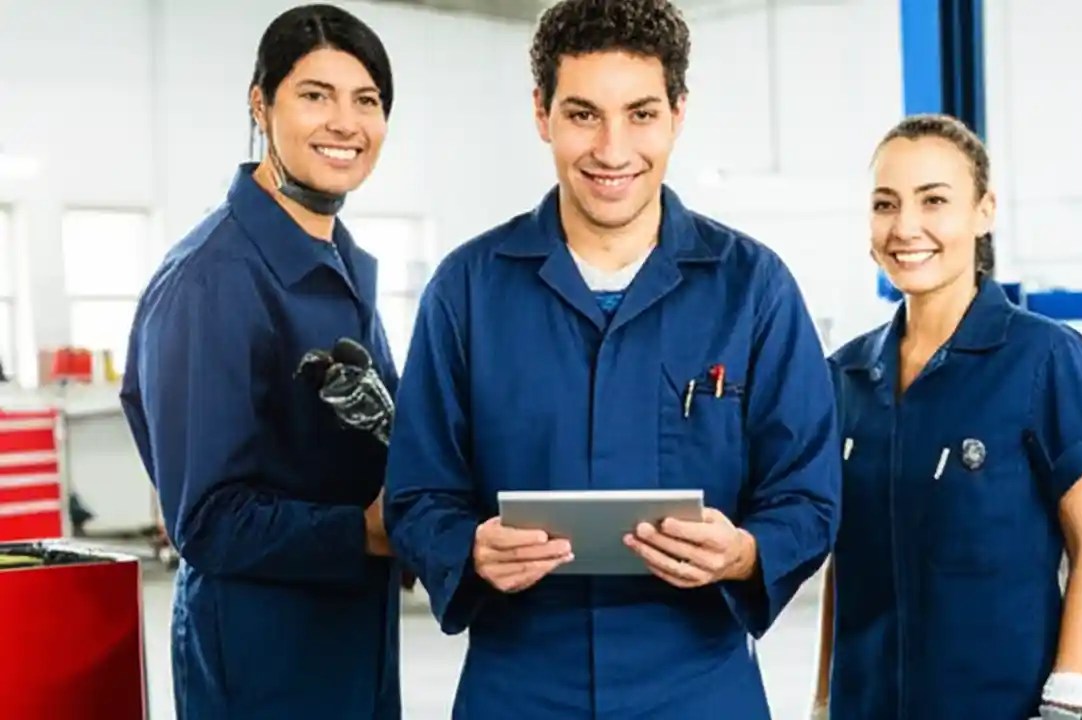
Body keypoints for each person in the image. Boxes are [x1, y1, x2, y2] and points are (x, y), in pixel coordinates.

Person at [382, 0, 841, 717]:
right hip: (520, 682)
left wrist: (747, 552)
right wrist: (467, 547)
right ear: (542, 114)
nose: (613, 148)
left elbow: (808, 493)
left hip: (698, 682)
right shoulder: (468, 290)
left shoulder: (753, 289)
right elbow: (416, 492)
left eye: (641, 113)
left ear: (678, 114)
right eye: (583, 114)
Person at [119, 5, 402, 718]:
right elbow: (207, 519)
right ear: (260, 104)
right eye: (315, 95)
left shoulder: (339, 264)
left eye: (366, 100)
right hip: (261, 657)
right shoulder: (211, 280)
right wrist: (366, 530)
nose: (345, 122)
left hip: (355, 639)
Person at [810, 114, 1082, 720]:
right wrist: (824, 701)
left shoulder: (1043, 358)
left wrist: (1068, 696)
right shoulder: (845, 377)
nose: (906, 227)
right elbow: (844, 563)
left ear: (984, 211)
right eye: (885, 204)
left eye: (934, 201)